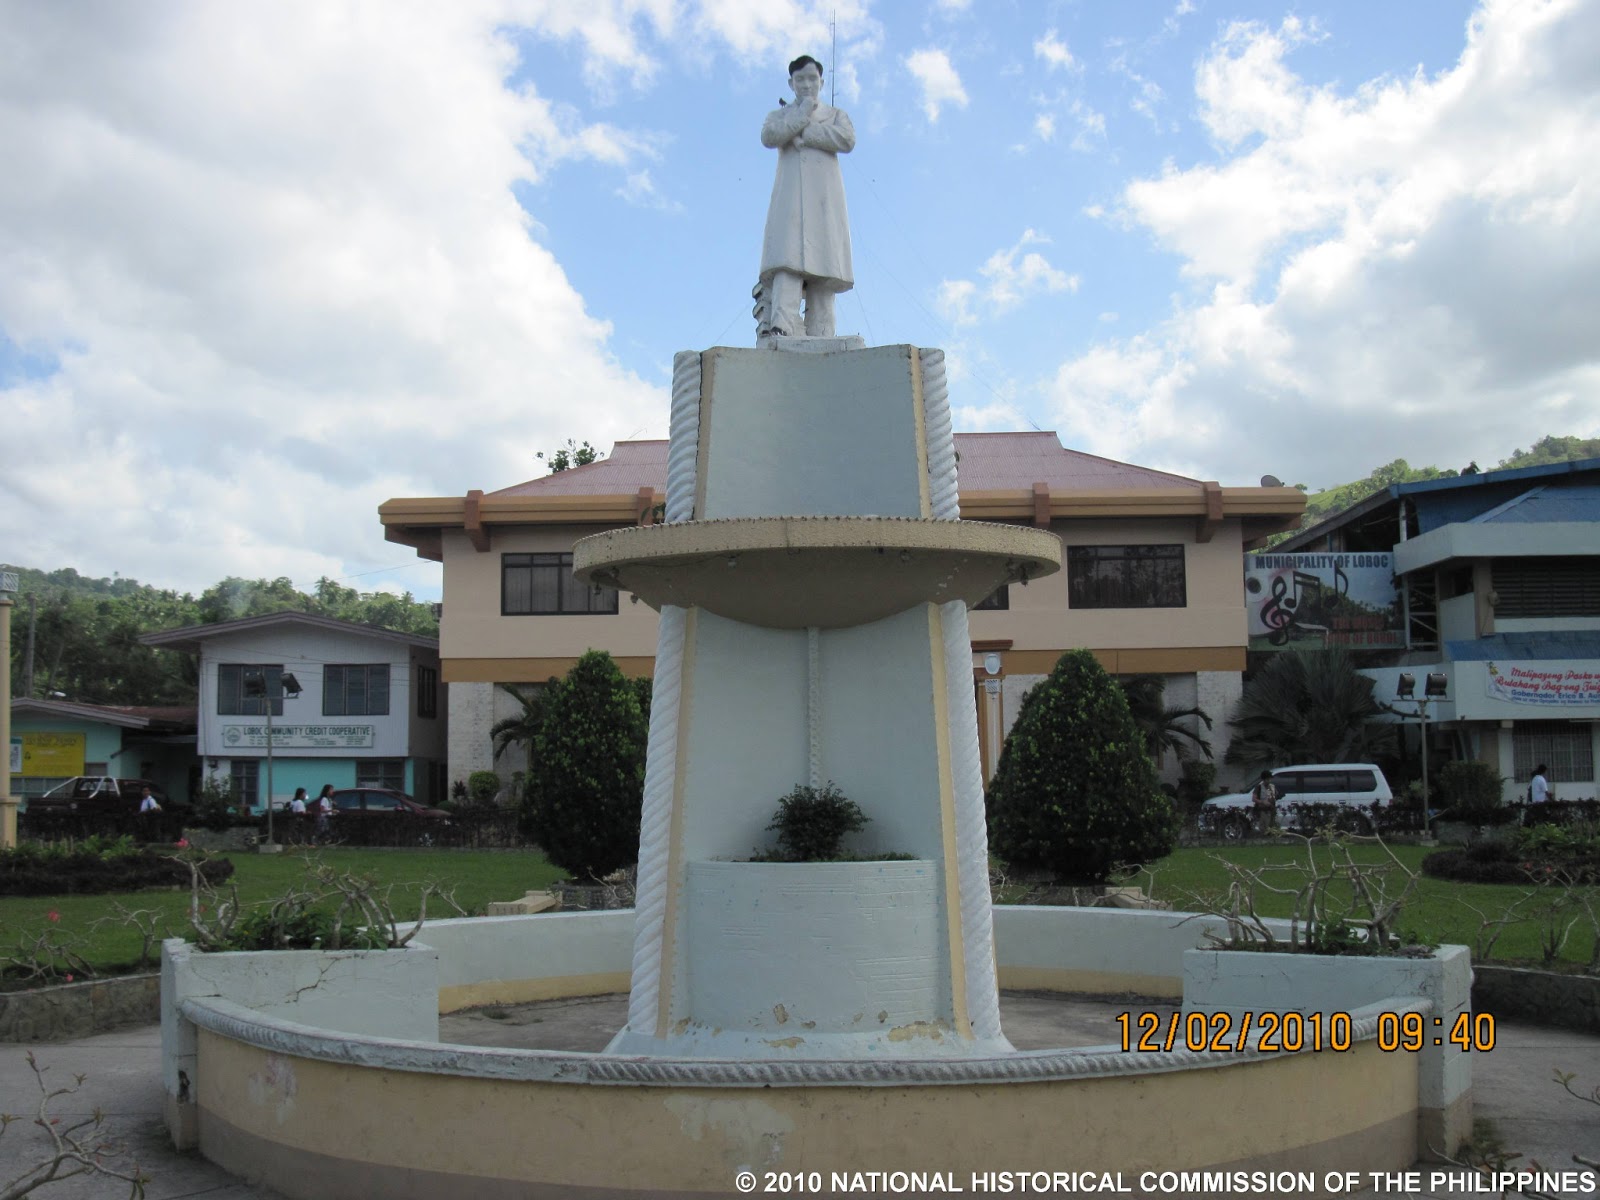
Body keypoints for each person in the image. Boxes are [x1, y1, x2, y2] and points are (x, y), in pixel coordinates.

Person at [757, 54, 854, 340]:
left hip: (825, 198)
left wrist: (806, 133)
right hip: (791, 199)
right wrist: (800, 115)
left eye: (812, 78)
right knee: (788, 258)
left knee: (824, 264)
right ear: (791, 83)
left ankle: (823, 333)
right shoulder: (779, 116)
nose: (807, 84)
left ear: (821, 81)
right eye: (800, 79)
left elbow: (846, 139)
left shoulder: (836, 115)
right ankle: (782, 325)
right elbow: (769, 136)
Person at [1251, 770, 1278, 837]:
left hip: (1271, 810)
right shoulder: (1259, 787)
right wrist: (1262, 802)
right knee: (1264, 828)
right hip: (1263, 810)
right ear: (1263, 779)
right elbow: (1254, 799)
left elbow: (1276, 795)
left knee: (1272, 827)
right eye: (1267, 779)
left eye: (1270, 779)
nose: (1269, 780)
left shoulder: (1272, 786)